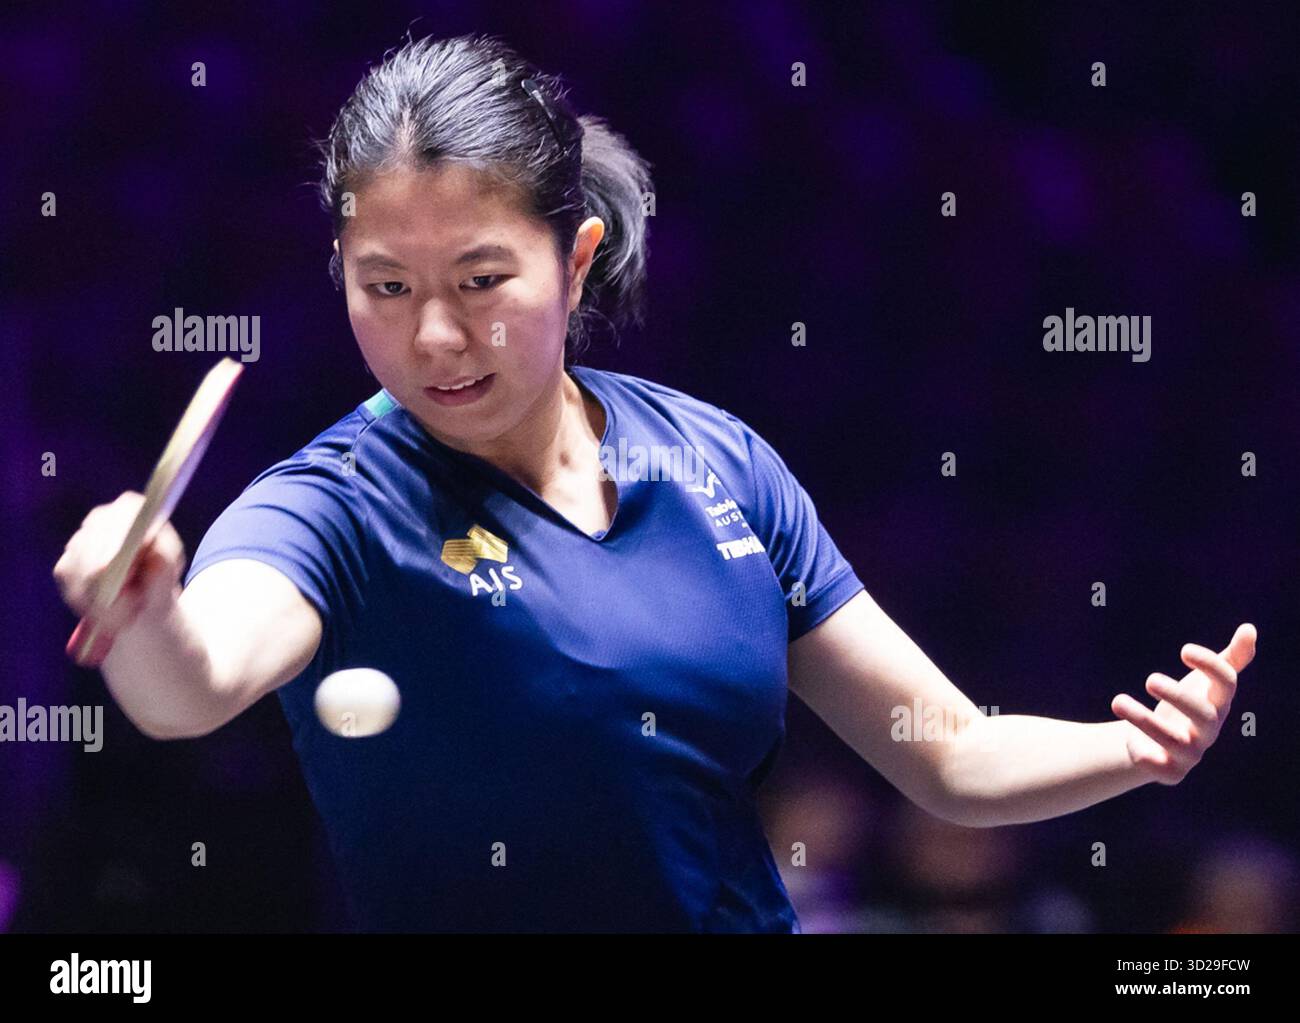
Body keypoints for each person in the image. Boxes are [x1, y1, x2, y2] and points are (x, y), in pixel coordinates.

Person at [52, 33, 1257, 933]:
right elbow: (190, 687)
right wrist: (146, 609)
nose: (432, 337)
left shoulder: (718, 464)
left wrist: (1132, 750)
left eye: (480, 281)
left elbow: (946, 756)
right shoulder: (333, 504)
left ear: (576, 260)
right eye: (385, 286)